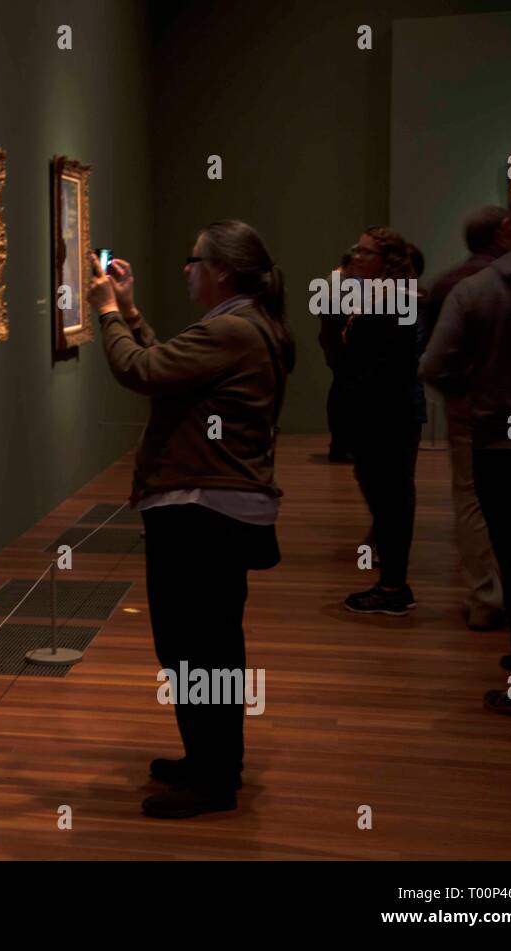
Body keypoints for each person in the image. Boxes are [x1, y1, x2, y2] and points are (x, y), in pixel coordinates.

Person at [87, 220, 294, 819]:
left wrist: (106, 313)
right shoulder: (245, 325)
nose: (187, 267)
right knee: (208, 643)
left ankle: (213, 777)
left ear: (222, 270)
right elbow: (171, 368)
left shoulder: (233, 328)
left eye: (194, 258)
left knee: (196, 647)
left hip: (203, 507)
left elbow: (142, 372)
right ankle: (211, 759)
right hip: (215, 505)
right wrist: (129, 310)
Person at [420, 183, 511, 724]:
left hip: (506, 447)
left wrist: (477, 394)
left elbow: (434, 367)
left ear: (508, 228)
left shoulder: (476, 290)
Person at [422, 206, 507, 630]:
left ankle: (485, 598)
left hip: (469, 408)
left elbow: (433, 358)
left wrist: (458, 393)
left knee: (471, 500)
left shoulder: (449, 283)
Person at [338, 227, 424, 614]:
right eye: (357, 249)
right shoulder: (386, 297)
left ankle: (392, 588)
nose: (356, 256)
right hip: (385, 412)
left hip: (384, 414)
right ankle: (391, 584)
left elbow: (380, 368)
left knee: (390, 498)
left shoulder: (389, 301)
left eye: (365, 252)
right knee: (389, 496)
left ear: (386, 261)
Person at [319, 250, 355, 462]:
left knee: (341, 391)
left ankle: (341, 445)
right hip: (340, 347)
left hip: (336, 346)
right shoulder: (336, 282)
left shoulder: (336, 281)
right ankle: (340, 446)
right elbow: (334, 314)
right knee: (342, 393)